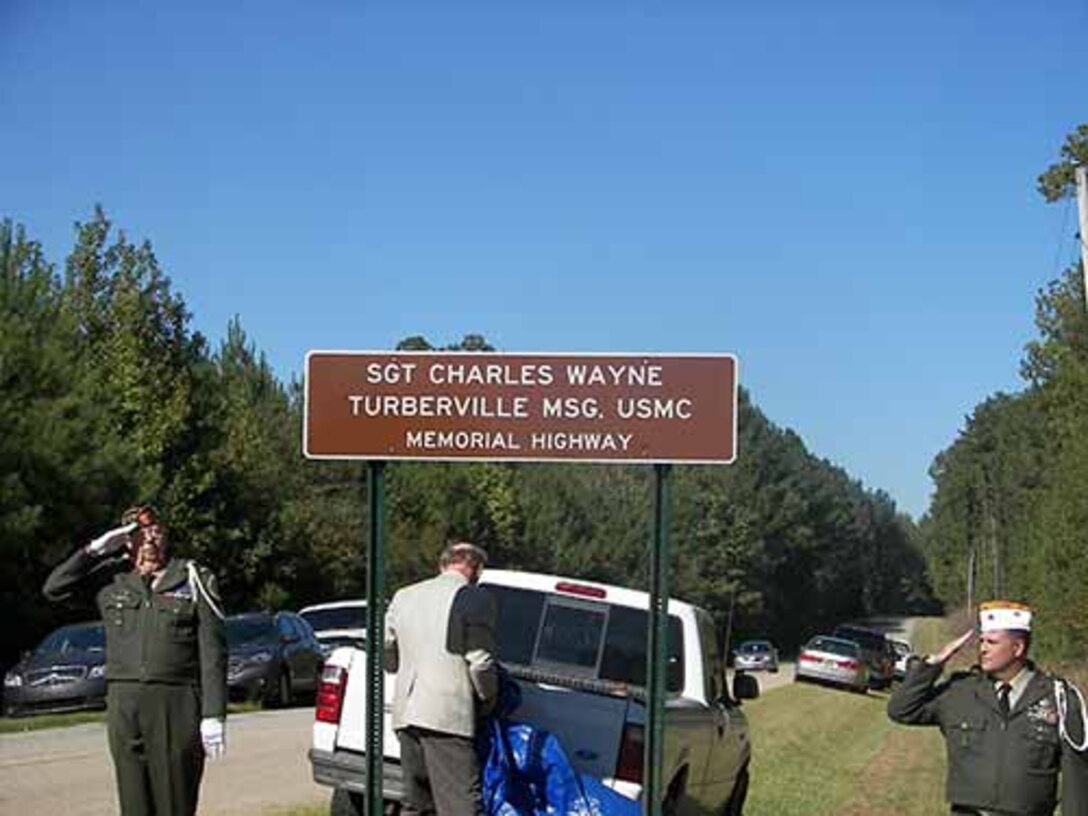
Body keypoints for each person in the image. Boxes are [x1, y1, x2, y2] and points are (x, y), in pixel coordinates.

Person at [43, 505, 227, 816]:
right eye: (140, 533)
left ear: (165, 534)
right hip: (124, 702)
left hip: (175, 701)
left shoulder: (192, 577)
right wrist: (93, 550)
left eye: (156, 530)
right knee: (133, 801)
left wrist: (213, 714)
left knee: (174, 800)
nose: (150, 538)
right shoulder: (112, 579)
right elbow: (54, 588)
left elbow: (213, 650)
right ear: (126, 541)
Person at [888, 600, 1088, 815]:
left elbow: (1077, 782)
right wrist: (934, 663)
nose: (982, 649)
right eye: (981, 641)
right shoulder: (961, 691)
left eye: (991, 642)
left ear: (1017, 647)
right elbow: (902, 710)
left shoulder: (1059, 699)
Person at [383, 541, 499, 816]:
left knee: (417, 803)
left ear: (442, 564)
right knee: (460, 805)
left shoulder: (404, 595)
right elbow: (480, 662)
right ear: (477, 569)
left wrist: (397, 667)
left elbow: (387, 645)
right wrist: (488, 698)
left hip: (406, 713)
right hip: (447, 716)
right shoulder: (474, 597)